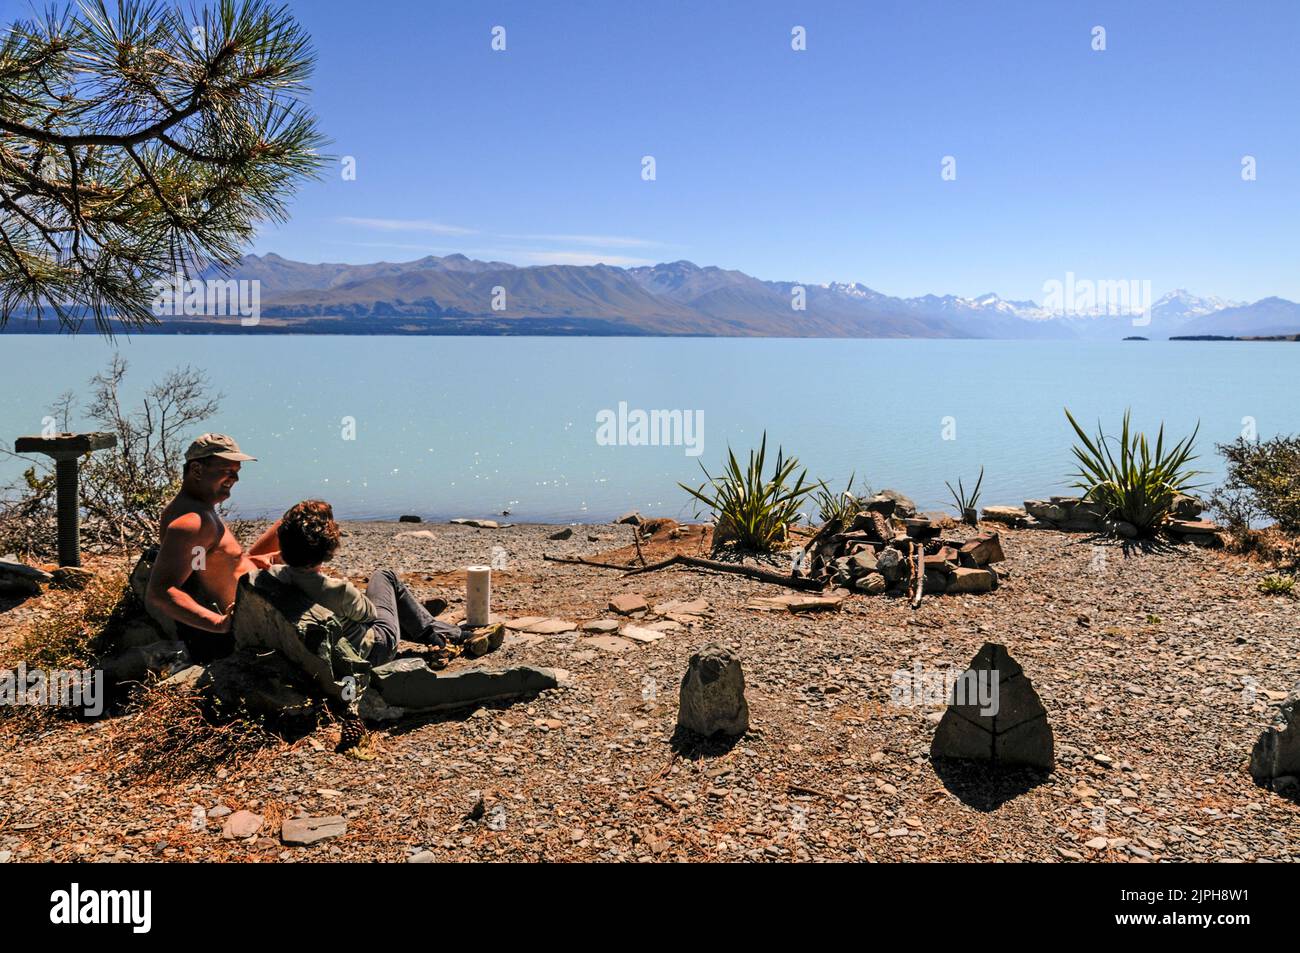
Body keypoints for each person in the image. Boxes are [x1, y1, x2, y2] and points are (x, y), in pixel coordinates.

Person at [263, 500, 461, 664]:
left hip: (330, 647)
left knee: (393, 608)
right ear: (328, 548)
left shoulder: (273, 576)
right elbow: (370, 615)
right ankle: (437, 637)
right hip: (376, 649)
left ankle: (436, 626)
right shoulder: (337, 591)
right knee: (385, 576)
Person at [146, 434, 280, 658]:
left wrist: (251, 561)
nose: (235, 479)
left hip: (247, 581)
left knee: (298, 517)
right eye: (227, 471)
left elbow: (206, 565)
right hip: (246, 619)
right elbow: (160, 591)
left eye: (237, 472)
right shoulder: (193, 522)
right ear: (197, 470)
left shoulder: (196, 509)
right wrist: (220, 623)